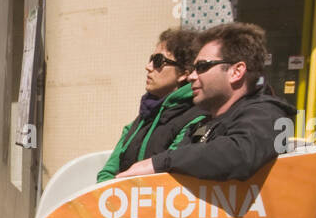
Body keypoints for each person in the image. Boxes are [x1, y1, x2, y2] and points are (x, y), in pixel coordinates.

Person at [117, 22, 296, 181]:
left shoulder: (266, 115)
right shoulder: (204, 123)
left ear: (236, 72)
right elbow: (184, 156)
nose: (192, 76)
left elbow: (239, 154)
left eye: (202, 67)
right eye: (194, 68)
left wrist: (158, 163)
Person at [96, 28, 205, 182]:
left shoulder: (197, 118)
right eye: (150, 59)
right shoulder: (142, 117)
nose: (148, 66)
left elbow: (171, 177)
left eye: (158, 61)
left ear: (184, 74)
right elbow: (107, 173)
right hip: (124, 202)